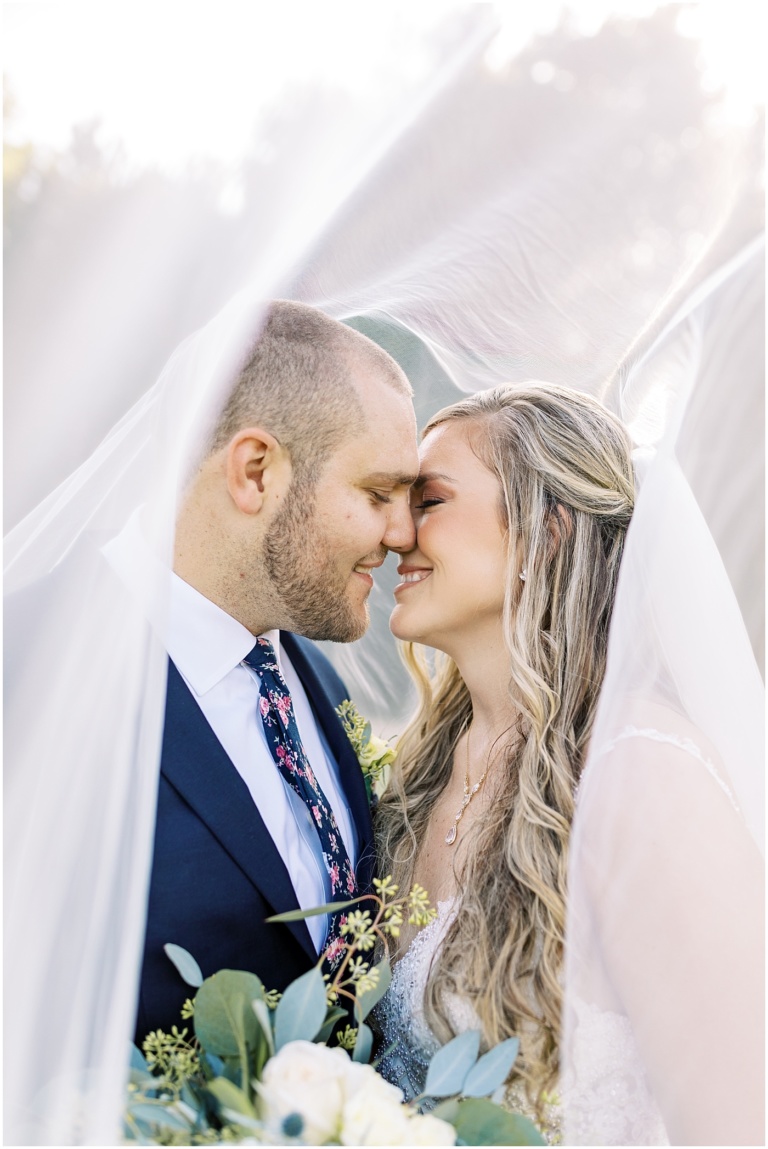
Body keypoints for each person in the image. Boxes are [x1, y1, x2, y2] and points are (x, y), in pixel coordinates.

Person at [10, 300, 421, 1050]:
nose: (402, 534)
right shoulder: (27, 659)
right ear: (255, 471)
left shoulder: (320, 688)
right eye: (376, 494)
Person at [373, 379, 764, 1145]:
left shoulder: (643, 778)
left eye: (430, 500)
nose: (393, 532)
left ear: (545, 531)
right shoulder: (416, 773)